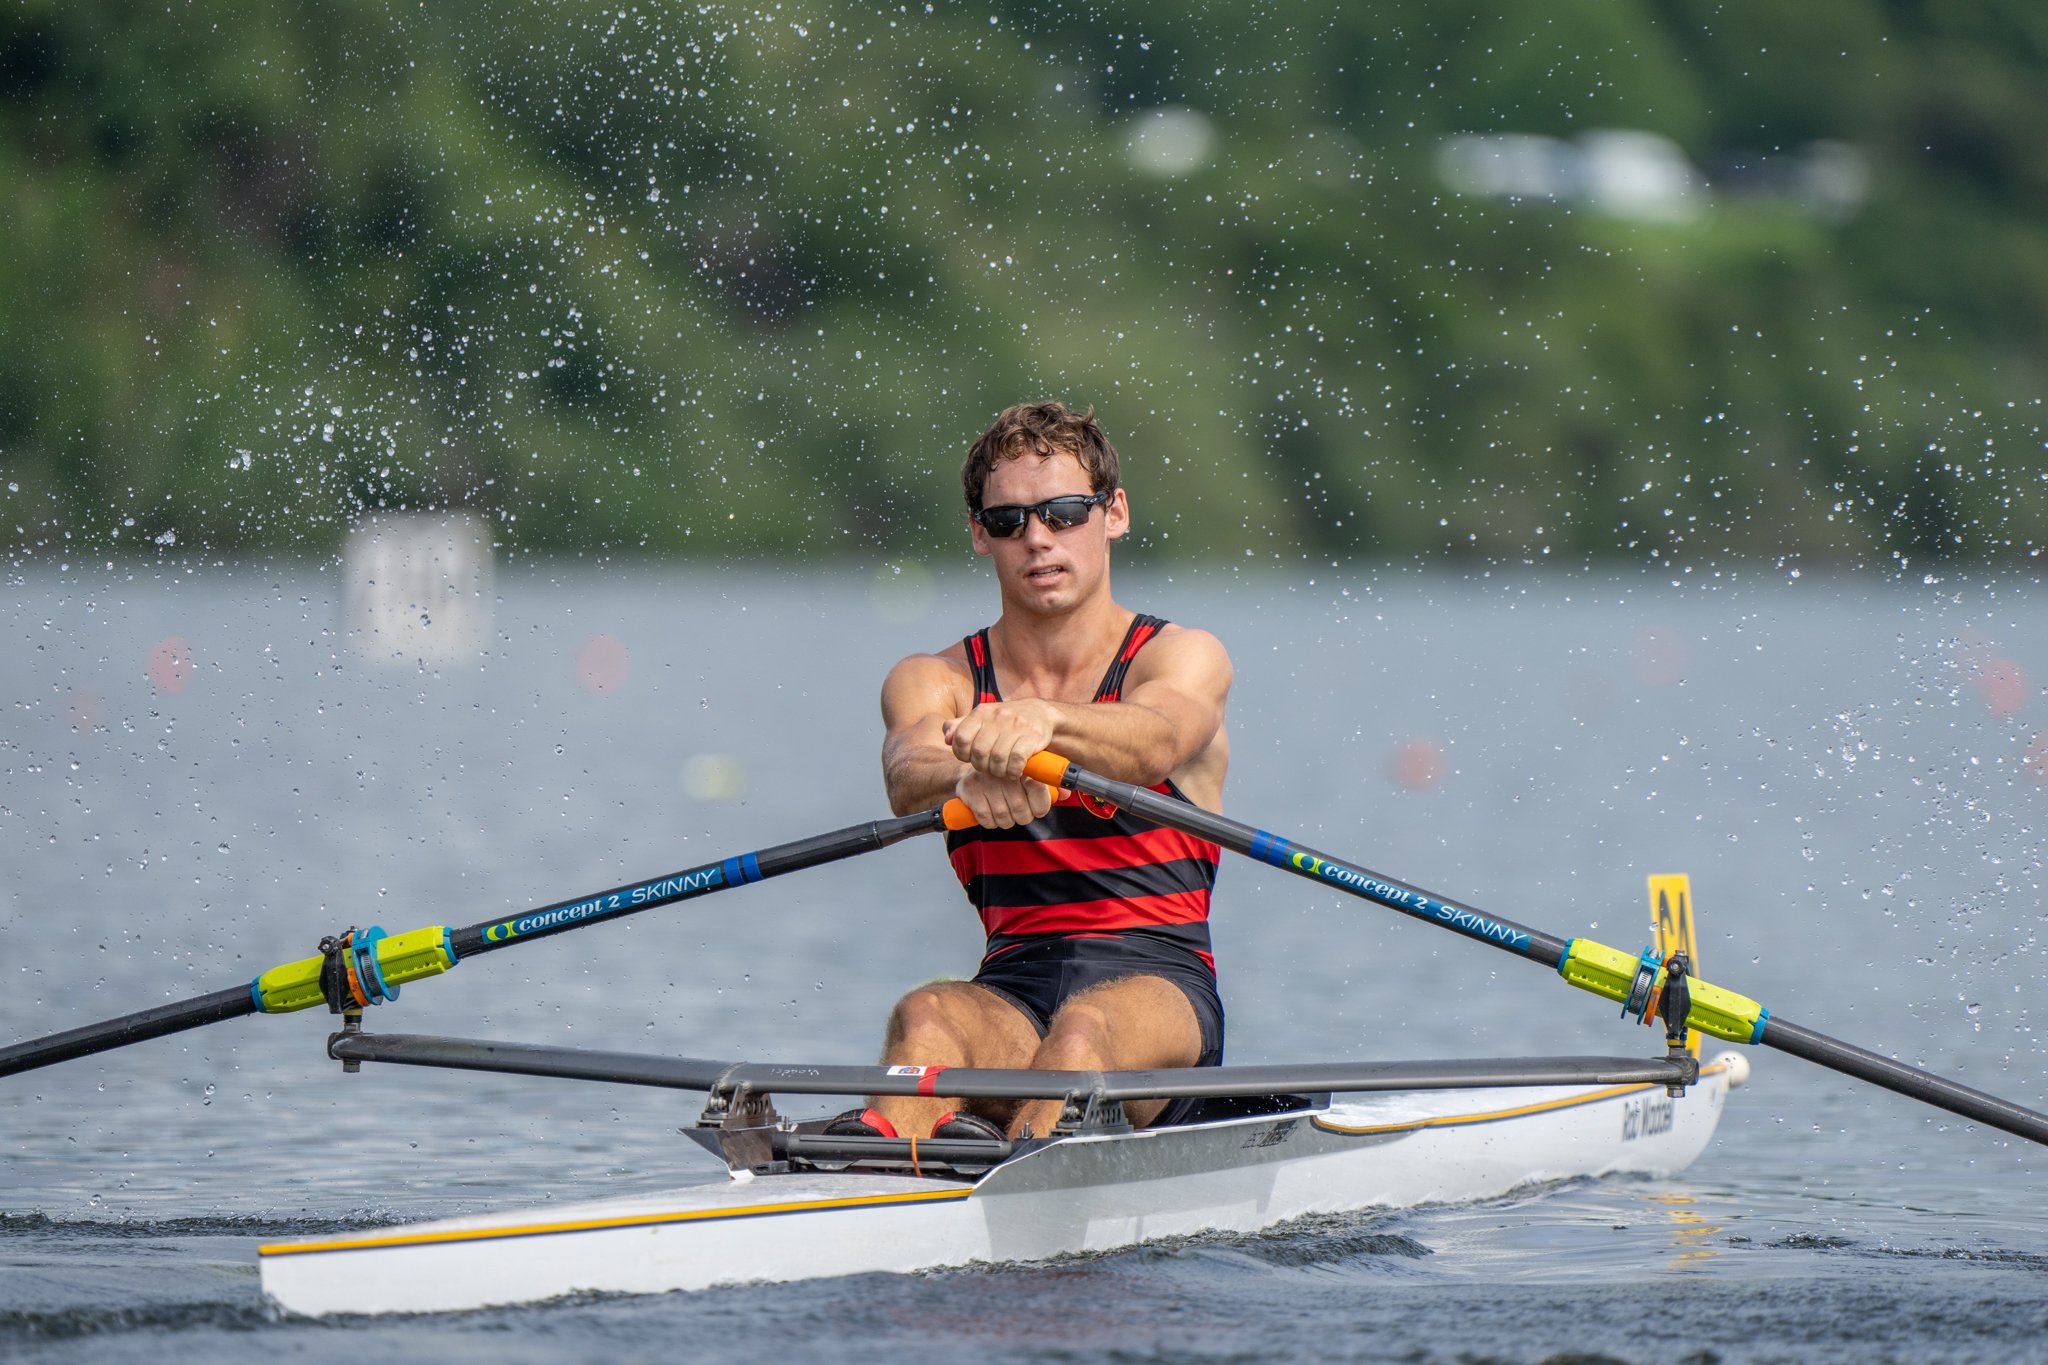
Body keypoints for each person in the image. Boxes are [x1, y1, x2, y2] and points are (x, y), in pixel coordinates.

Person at [829, 401, 1232, 1144]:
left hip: (1160, 992)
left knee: (1081, 1033)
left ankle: (1024, 1180)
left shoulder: (1178, 657)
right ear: (980, 535)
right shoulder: (938, 679)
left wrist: (1041, 722)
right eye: (1009, 520)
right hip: (1011, 986)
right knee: (925, 1016)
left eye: (1065, 513)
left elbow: (1157, 739)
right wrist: (964, 776)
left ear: (1114, 514)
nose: (1038, 538)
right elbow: (907, 768)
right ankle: (875, 1174)